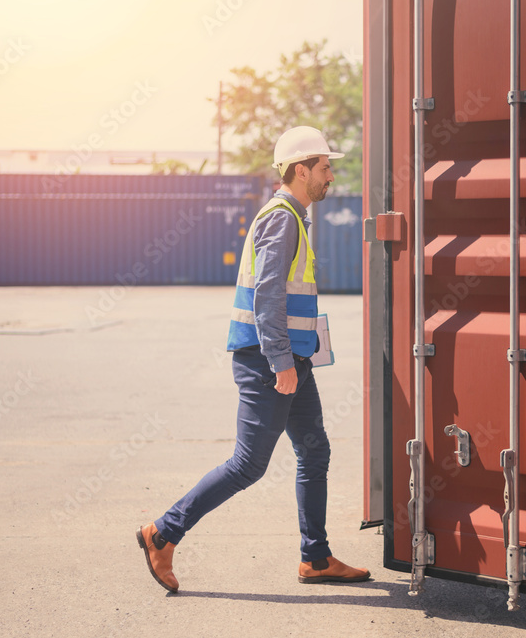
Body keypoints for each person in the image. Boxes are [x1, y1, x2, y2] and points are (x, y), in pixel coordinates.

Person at [137, 126, 370, 591]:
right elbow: (267, 295)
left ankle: (315, 558)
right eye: (325, 167)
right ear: (301, 170)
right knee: (248, 464)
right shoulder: (282, 218)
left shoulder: (294, 217)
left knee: (314, 451)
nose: (331, 175)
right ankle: (163, 532)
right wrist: (281, 361)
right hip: (268, 362)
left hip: (293, 360)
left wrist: (294, 359)